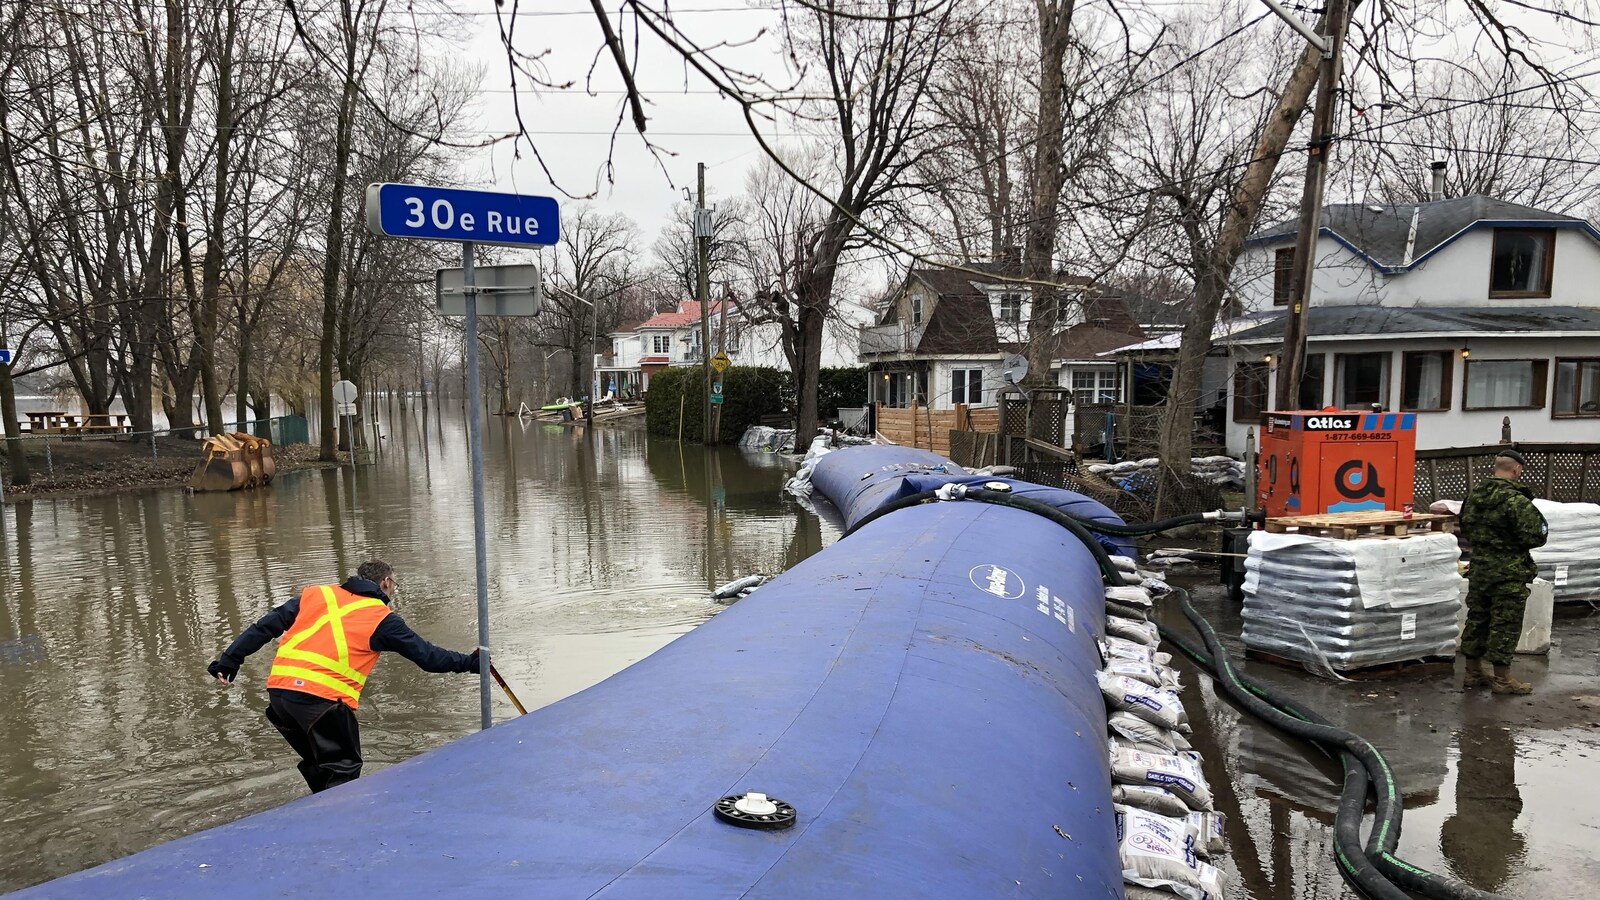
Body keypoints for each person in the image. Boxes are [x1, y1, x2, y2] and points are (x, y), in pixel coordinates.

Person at [207, 560, 480, 793]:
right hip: (322, 703)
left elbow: (265, 626)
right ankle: (336, 834)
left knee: (321, 764)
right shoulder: (382, 618)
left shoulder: (316, 595)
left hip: (280, 697)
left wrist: (230, 660)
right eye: (394, 584)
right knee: (343, 770)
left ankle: (316, 816)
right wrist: (470, 662)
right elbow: (428, 657)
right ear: (385, 582)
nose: (393, 590)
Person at [1458, 450, 1547, 695]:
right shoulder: (1516, 501)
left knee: (1477, 618)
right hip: (1508, 571)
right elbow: (1537, 535)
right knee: (1505, 622)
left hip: (1480, 568)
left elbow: (1465, 526)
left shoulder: (1474, 496)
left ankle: (1472, 671)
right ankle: (1502, 678)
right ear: (1517, 469)